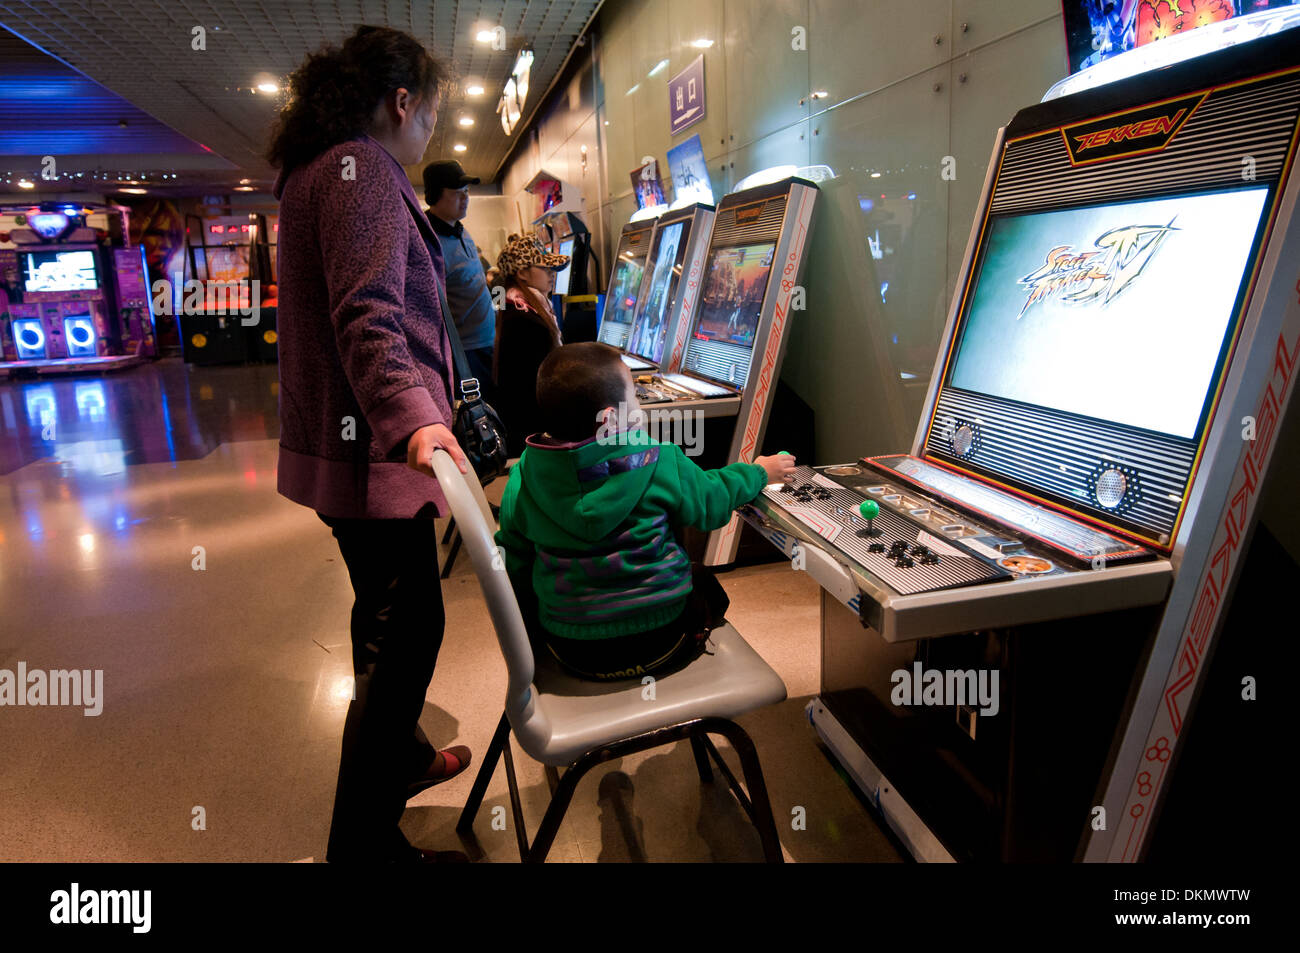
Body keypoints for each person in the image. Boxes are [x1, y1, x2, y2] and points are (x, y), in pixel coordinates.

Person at [267, 24, 473, 864]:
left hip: (343, 450)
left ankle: (407, 758)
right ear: (402, 102)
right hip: (372, 457)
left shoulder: (319, 168)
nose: (431, 132)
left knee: (381, 616)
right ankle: (361, 847)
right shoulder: (359, 173)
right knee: (409, 629)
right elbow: (369, 316)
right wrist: (416, 417)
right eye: (430, 112)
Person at [495, 342, 797, 681]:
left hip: (571, 651)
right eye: (635, 397)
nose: (640, 405)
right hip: (661, 639)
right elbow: (711, 502)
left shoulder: (522, 475)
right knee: (706, 585)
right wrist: (758, 472)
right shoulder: (657, 459)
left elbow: (515, 561)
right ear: (609, 419)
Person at [423, 159, 497, 400]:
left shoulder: (461, 230)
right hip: (464, 353)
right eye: (457, 193)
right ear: (434, 196)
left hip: (485, 342)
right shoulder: (428, 242)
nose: (465, 199)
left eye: (467, 192)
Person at [493, 234, 568, 457]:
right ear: (523, 273)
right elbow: (536, 383)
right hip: (531, 434)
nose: (552, 274)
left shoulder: (514, 306)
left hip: (523, 428)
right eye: (545, 268)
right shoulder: (525, 319)